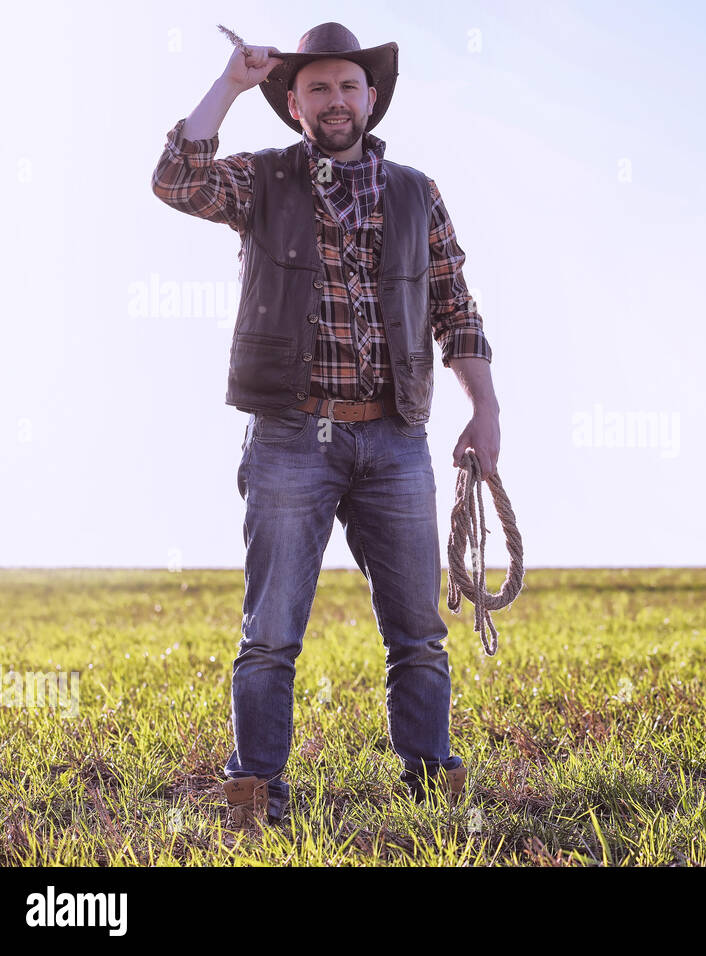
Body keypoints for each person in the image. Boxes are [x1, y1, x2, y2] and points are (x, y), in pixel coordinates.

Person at [151, 22, 500, 823]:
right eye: (318, 88)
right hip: (289, 435)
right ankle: (255, 787)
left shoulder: (416, 191)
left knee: (418, 630)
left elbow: (456, 306)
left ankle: (427, 776)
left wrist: (484, 407)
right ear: (294, 105)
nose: (335, 101)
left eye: (348, 86)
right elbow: (176, 177)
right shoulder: (263, 180)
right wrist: (232, 83)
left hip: (395, 436)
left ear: (370, 99)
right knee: (270, 629)